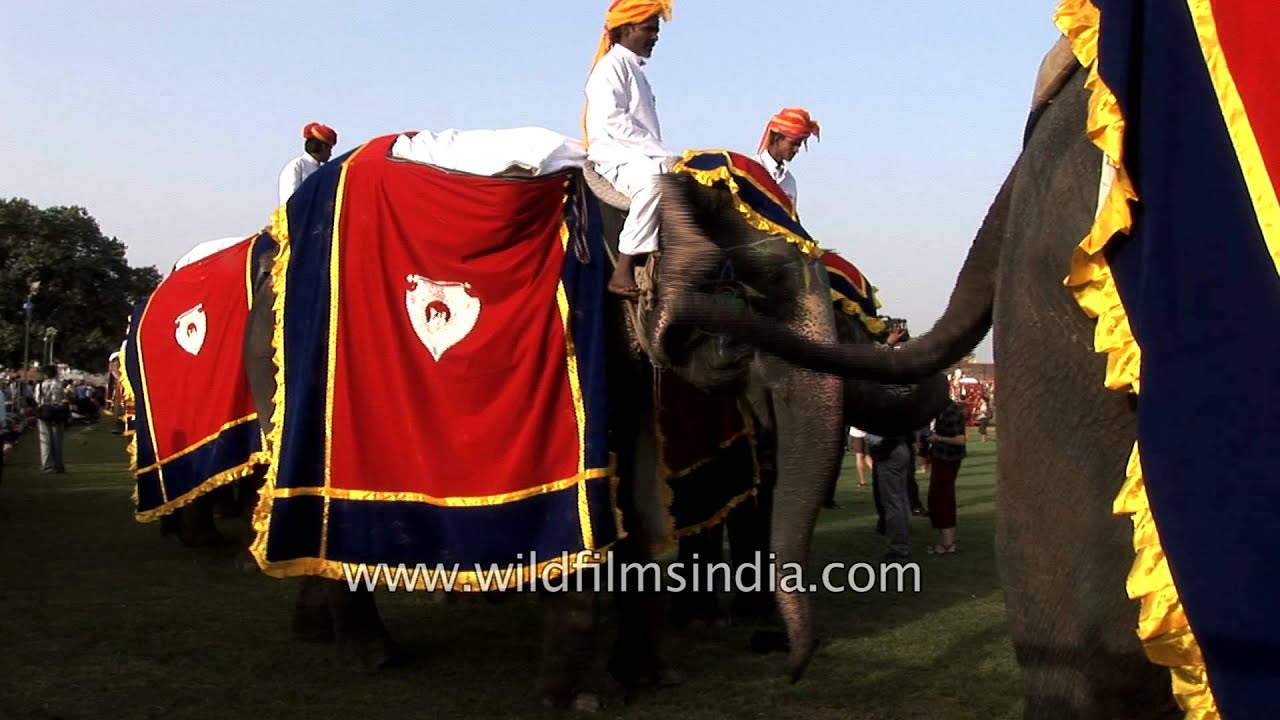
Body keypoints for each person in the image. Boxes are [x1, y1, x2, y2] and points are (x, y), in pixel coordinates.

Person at [583, 0, 676, 299]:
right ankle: (624, 269)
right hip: (614, 155)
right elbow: (614, 121)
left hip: (638, 153)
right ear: (628, 28)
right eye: (650, 29)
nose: (655, 36)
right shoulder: (609, 69)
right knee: (654, 181)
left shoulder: (636, 71)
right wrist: (659, 153)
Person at [754, 107, 820, 210]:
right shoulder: (751, 168)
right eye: (793, 144)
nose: (796, 150)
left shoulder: (789, 182)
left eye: (799, 145)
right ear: (777, 139)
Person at [926, 396, 969, 554]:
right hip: (941, 457)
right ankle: (945, 541)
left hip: (947, 458)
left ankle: (948, 543)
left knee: (943, 497)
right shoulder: (942, 410)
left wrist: (938, 438)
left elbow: (960, 440)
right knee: (937, 497)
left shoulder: (951, 411)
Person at [278, 122, 338, 207]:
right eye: (330, 149)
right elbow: (290, 202)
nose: (331, 154)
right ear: (323, 147)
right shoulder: (297, 166)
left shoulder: (324, 170)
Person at [33, 364, 67, 473]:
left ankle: (47, 465)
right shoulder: (59, 384)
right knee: (57, 440)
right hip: (57, 412)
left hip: (44, 412)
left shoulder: (40, 385)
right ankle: (58, 464)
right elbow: (63, 398)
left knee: (45, 440)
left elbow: (37, 399)